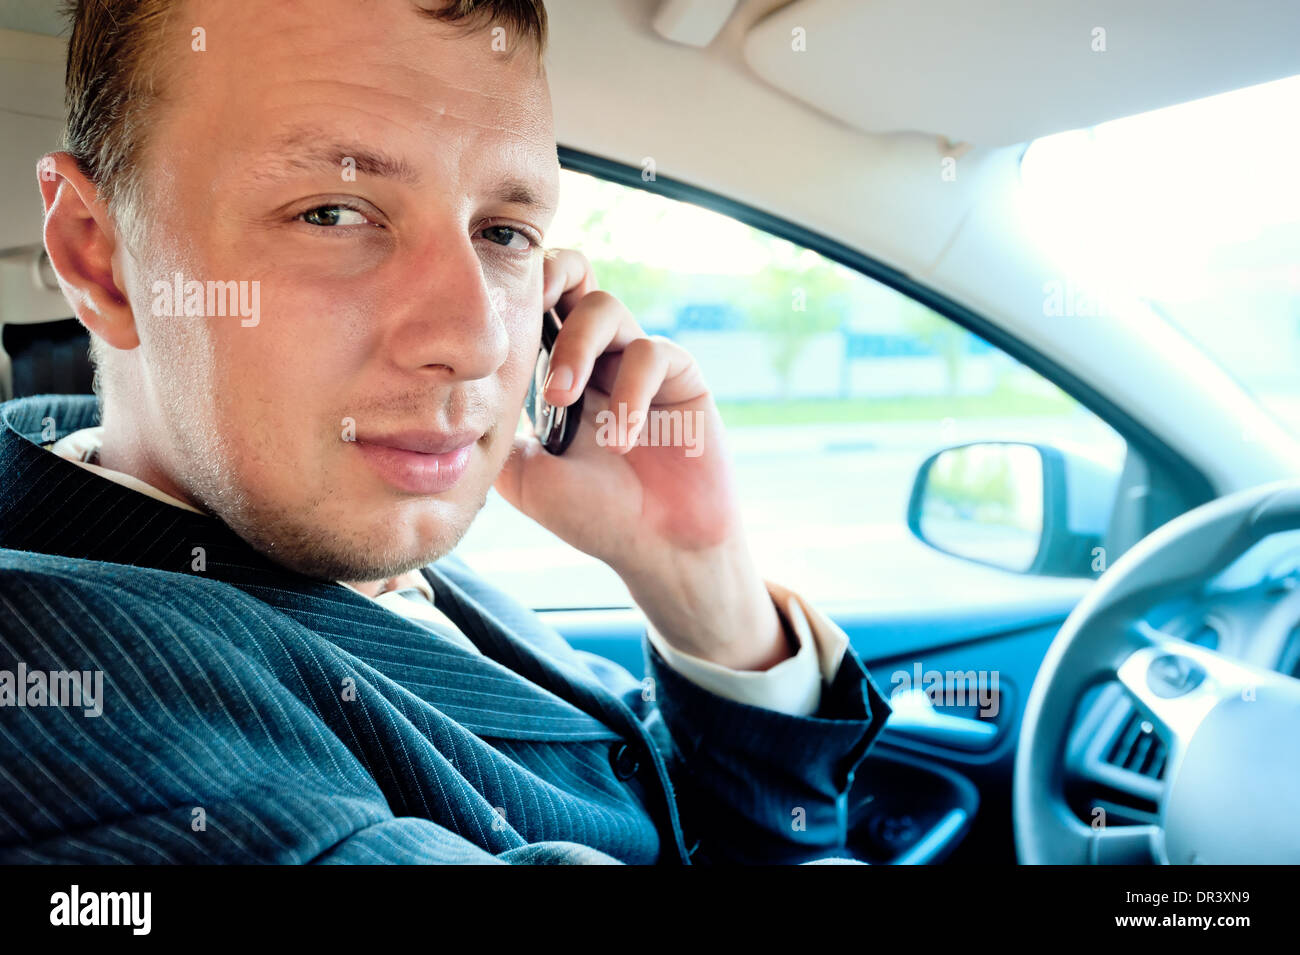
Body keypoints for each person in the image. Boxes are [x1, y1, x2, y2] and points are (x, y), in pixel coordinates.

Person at [0, 0, 889, 864]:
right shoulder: (63, 689)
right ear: (101, 258)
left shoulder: (353, 539)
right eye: (333, 213)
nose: (479, 340)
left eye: (504, 231)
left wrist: (697, 578)